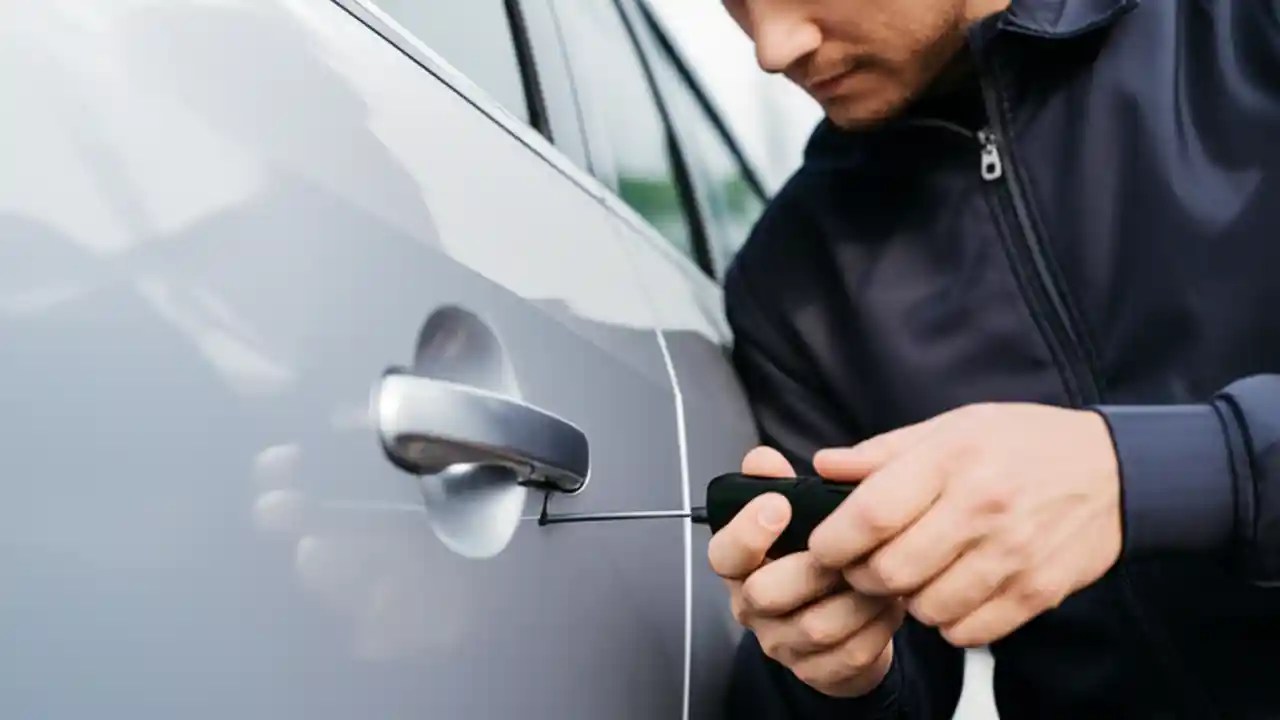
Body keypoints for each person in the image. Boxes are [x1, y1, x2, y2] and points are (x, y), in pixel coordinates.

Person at [707, 0, 1280, 718]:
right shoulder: (791, 276)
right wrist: (848, 676)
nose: (771, 47)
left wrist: (1148, 474)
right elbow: (898, 683)